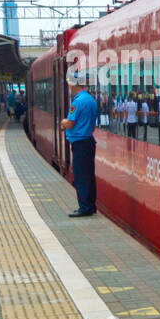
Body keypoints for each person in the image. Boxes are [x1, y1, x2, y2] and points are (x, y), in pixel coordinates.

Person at [60, 79, 98, 217]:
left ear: (73, 86)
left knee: (81, 176)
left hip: (80, 143)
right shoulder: (90, 100)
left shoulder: (77, 101)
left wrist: (63, 122)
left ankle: (84, 207)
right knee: (89, 175)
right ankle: (91, 205)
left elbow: (70, 123)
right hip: (89, 141)